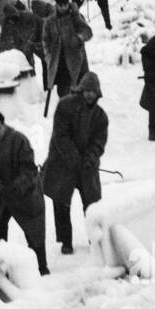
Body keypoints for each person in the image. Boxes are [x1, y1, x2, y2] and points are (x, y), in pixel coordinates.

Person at [41, 72, 108, 256]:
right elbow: (60, 136)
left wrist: (90, 158)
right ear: (80, 90)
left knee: (92, 203)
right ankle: (65, 241)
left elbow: (99, 142)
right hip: (62, 162)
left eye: (92, 92)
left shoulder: (101, 116)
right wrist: (74, 158)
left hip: (86, 166)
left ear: (97, 93)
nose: (89, 95)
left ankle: (94, 238)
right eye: (86, 90)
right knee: (61, 202)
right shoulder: (65, 105)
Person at [0, 110, 48, 275]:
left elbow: (29, 170)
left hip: (26, 193)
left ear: (4, 125)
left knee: (35, 232)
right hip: (2, 195)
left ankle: (41, 268)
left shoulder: (19, 140)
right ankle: (1, 269)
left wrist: (17, 188)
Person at [41, 0, 93, 98]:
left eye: (65, 4)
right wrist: (49, 57)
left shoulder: (76, 17)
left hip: (77, 61)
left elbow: (88, 32)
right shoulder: (50, 21)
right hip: (60, 63)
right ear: (56, 5)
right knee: (63, 93)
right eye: (60, 5)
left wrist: (79, 38)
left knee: (80, 91)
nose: (63, 7)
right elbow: (45, 41)